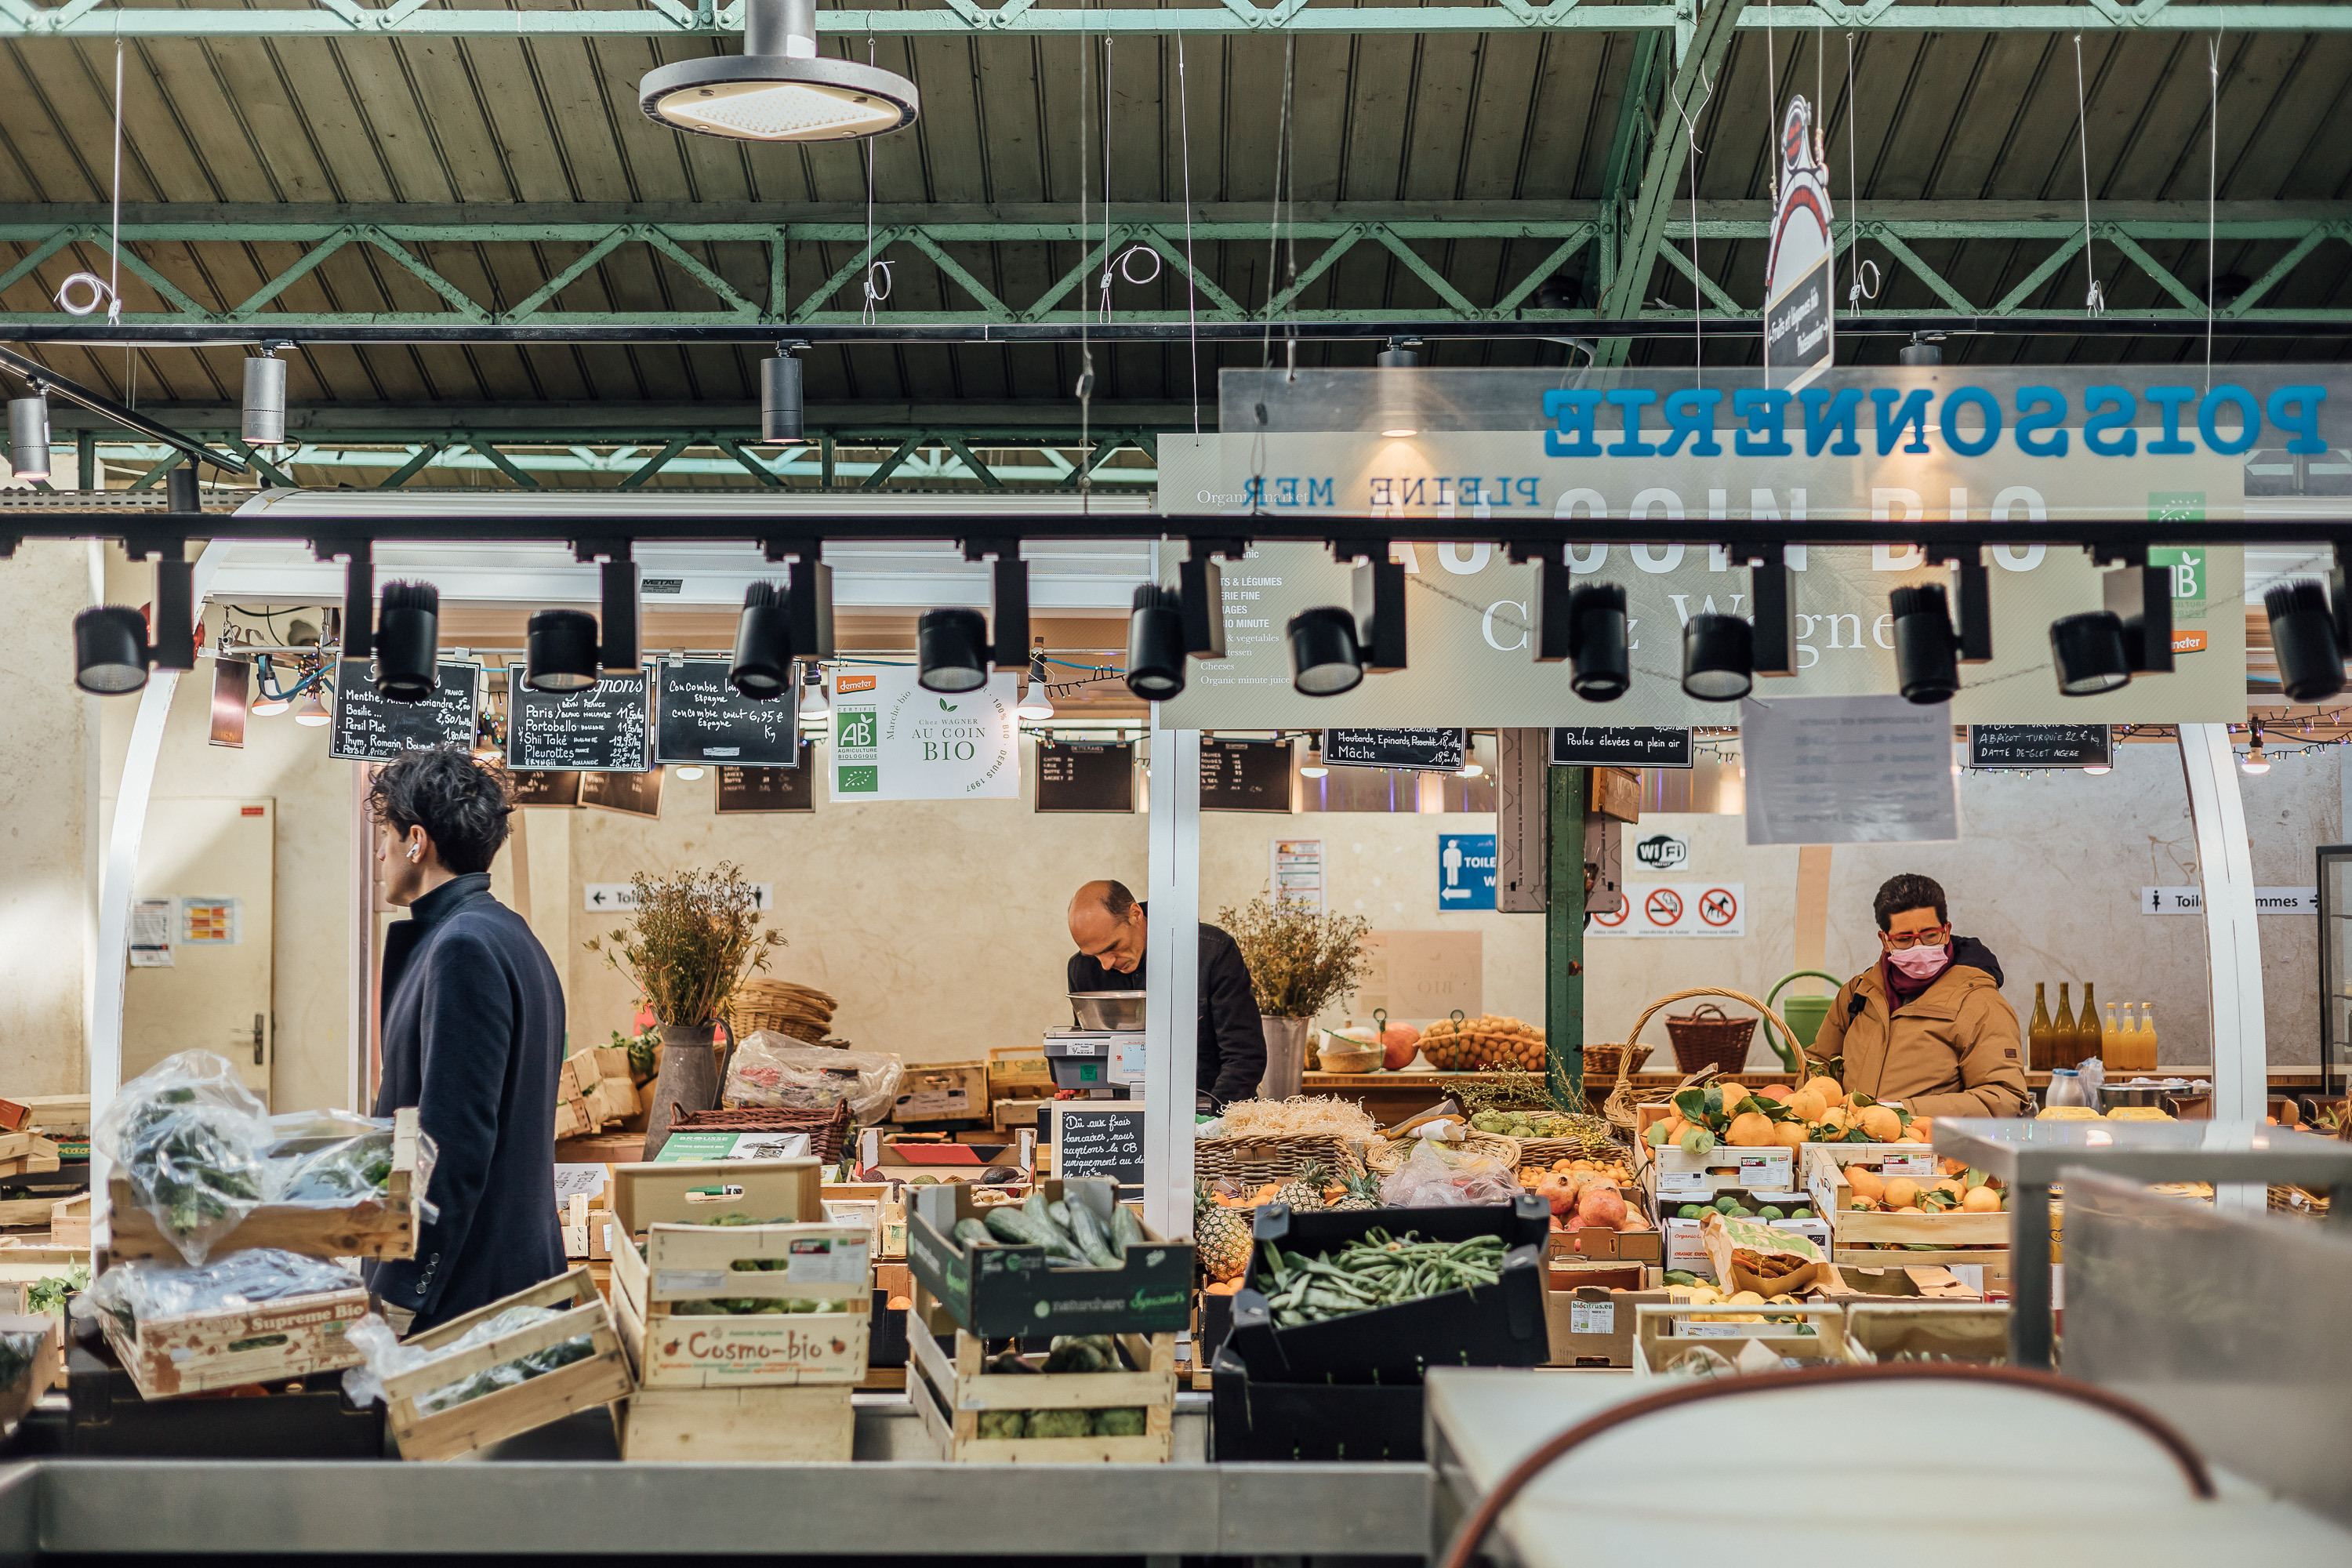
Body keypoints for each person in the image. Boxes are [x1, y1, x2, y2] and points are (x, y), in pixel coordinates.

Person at [366, 749, 566, 1333]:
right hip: (509, 1284)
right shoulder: (507, 933)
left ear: (416, 842)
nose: (379, 853)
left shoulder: (462, 948)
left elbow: (453, 1141)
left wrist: (405, 1291)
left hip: (470, 1299)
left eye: (386, 835)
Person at [1808, 873, 2029, 1119]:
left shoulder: (1981, 1004)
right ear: (1885, 940)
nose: (1919, 948)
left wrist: (1903, 1112)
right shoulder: (1857, 994)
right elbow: (1819, 1064)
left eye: (1930, 935)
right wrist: (1819, 1109)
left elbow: (2004, 1098)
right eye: (1904, 939)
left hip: (1931, 1153)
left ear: (1946, 931)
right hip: (1851, 1149)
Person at [1066, 880, 1264, 1111]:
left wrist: (1208, 1119)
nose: (1106, 964)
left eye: (1113, 947)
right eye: (1095, 955)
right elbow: (1090, 1052)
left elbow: (1244, 1056)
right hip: (1120, 1122)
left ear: (1135, 915)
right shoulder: (1082, 968)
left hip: (1210, 1115)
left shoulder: (1211, 953)